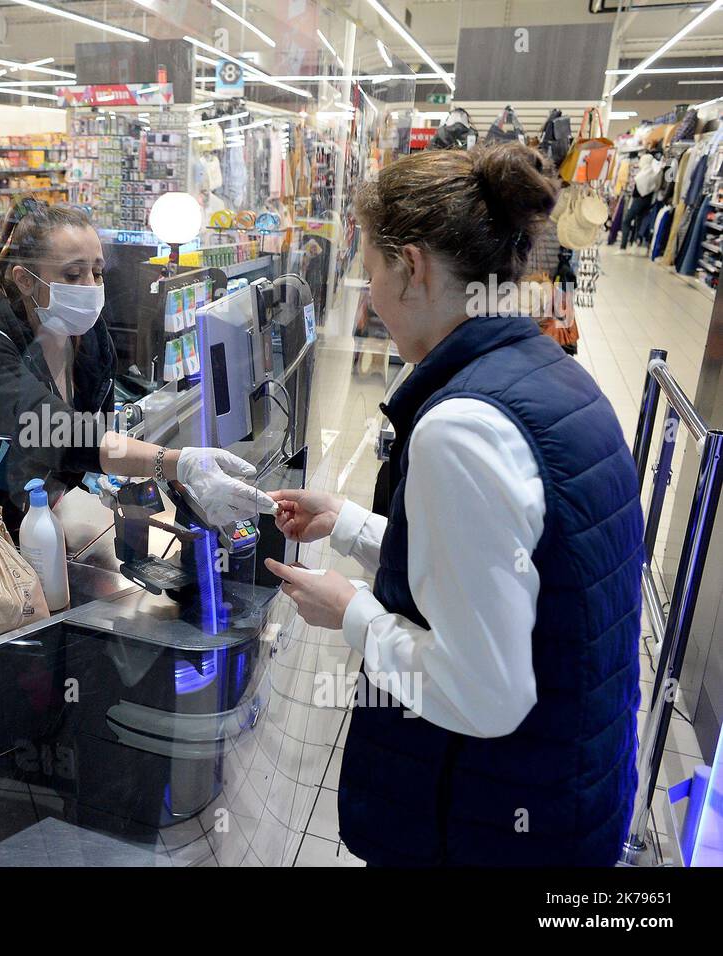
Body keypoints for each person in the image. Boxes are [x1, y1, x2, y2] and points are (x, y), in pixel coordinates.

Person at [263, 144, 644, 866]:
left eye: (369, 267)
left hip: (488, 824)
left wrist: (352, 614)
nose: (367, 291)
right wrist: (349, 525)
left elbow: (483, 693)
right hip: (565, 788)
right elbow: (506, 570)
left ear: (413, 267)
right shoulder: (546, 374)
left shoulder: (460, 426)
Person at [0, 196, 274, 538]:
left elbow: (95, 426)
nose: (91, 288)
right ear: (25, 280)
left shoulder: (89, 337)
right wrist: (176, 461)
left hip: (29, 514)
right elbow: (55, 430)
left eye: (96, 272)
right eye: (72, 274)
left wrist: (110, 475)